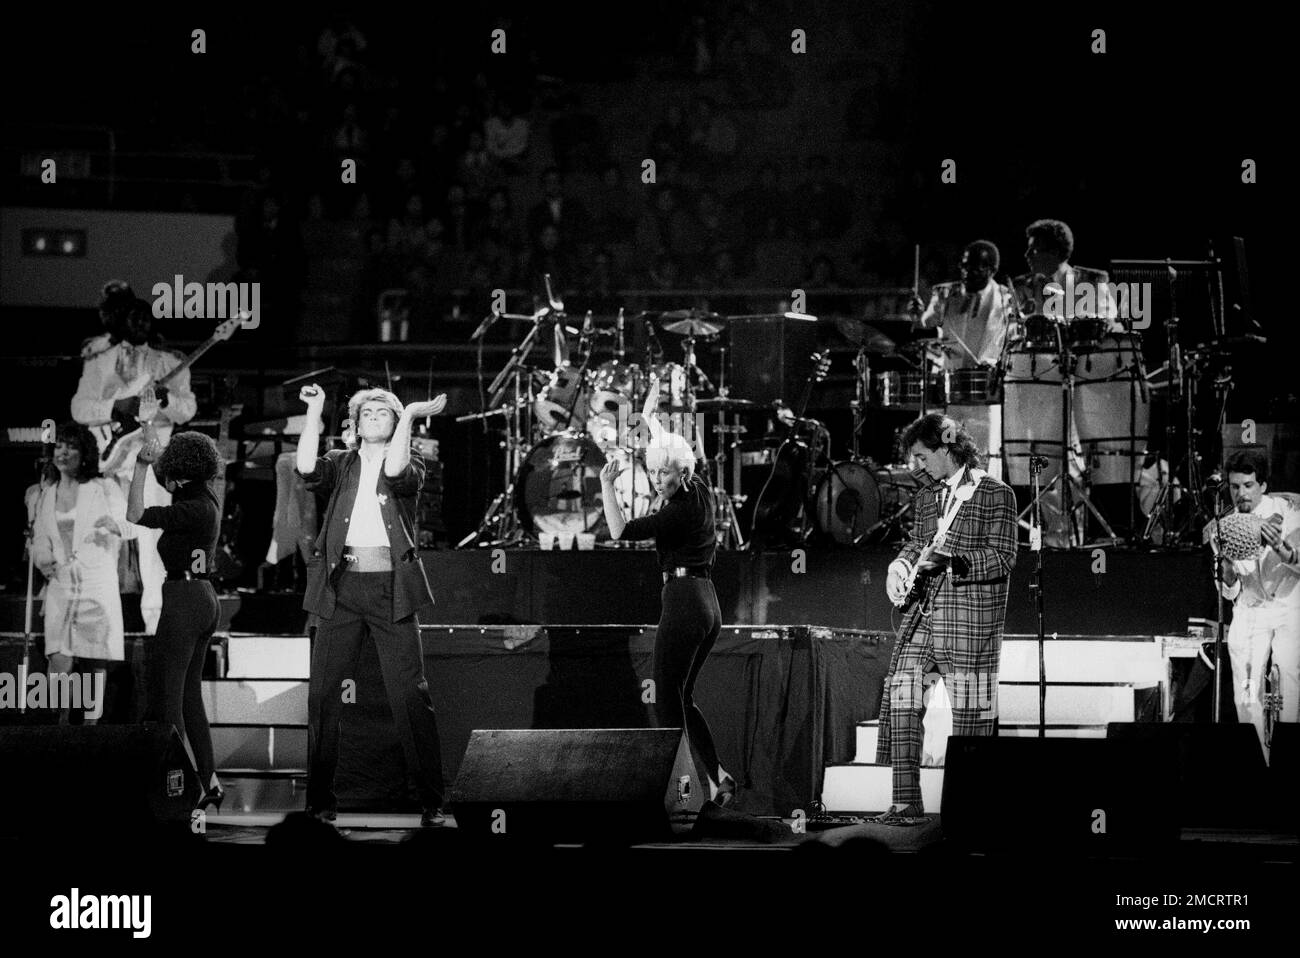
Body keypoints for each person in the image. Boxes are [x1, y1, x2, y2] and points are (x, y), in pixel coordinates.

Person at [295, 384, 448, 826]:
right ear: (356, 425)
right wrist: (315, 410)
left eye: (385, 414)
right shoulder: (341, 463)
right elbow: (305, 466)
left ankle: (432, 801)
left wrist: (412, 414)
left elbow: (397, 467)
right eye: (368, 413)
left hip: (391, 589)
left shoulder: (410, 461)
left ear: (395, 424)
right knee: (324, 696)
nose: (375, 418)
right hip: (340, 589)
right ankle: (320, 805)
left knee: (410, 696)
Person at [599, 380, 737, 806]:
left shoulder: (676, 512)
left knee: (664, 697)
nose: (659, 479)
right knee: (682, 695)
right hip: (706, 602)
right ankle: (717, 777)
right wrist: (649, 412)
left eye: (666, 473)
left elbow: (619, 529)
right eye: (655, 472)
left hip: (684, 601)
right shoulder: (699, 488)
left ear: (683, 473)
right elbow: (668, 448)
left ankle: (696, 789)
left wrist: (607, 484)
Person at [876, 413, 1017, 822]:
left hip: (969, 622)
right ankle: (905, 804)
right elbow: (916, 542)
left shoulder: (995, 492)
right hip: (923, 615)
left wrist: (952, 562)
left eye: (922, 457)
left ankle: (970, 810)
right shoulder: (927, 495)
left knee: (972, 717)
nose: (918, 467)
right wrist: (898, 566)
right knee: (903, 701)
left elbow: (1003, 556)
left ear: (947, 448)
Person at [72, 281, 197, 636]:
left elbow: (187, 409)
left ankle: (157, 628)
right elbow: (79, 407)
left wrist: (165, 400)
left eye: (146, 317)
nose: (140, 323)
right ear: (121, 320)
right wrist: (115, 407)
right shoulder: (98, 360)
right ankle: (99, 627)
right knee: (103, 536)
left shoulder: (170, 363)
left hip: (152, 458)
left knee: (153, 542)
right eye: (134, 316)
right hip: (110, 461)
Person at [126, 421, 223, 811]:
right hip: (203, 597)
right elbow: (167, 484)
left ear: (177, 466)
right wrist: (150, 432)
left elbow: (134, 513)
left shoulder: (190, 508)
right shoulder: (204, 497)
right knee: (189, 698)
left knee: (169, 702)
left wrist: (138, 466)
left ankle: (180, 790)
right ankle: (209, 781)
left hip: (183, 599)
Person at [29, 423, 127, 724]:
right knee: (59, 658)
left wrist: (115, 525)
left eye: (71, 447)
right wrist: (45, 560)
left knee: (96, 659)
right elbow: (40, 538)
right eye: (59, 446)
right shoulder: (47, 494)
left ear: (84, 454)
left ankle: (91, 727)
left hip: (96, 583)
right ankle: (60, 728)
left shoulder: (103, 487)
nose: (63, 452)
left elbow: (132, 522)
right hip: (61, 585)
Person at [1209, 450, 1300, 755]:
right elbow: (1229, 591)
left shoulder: (1290, 512)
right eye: (1235, 487)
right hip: (1251, 609)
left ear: (1262, 485)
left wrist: (1283, 551)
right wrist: (1228, 571)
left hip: (1288, 605)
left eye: (1248, 485)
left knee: (1288, 677)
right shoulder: (1223, 526)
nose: (1241, 494)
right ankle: (1257, 758)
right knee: (1247, 691)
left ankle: (1286, 755)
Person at [916, 240, 1013, 480]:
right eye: (964, 266)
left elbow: (1011, 337)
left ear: (991, 270)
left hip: (984, 393)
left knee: (983, 458)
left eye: (975, 268)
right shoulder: (946, 293)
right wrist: (917, 316)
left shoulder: (1006, 297)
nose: (966, 272)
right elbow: (926, 325)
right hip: (951, 390)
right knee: (946, 454)